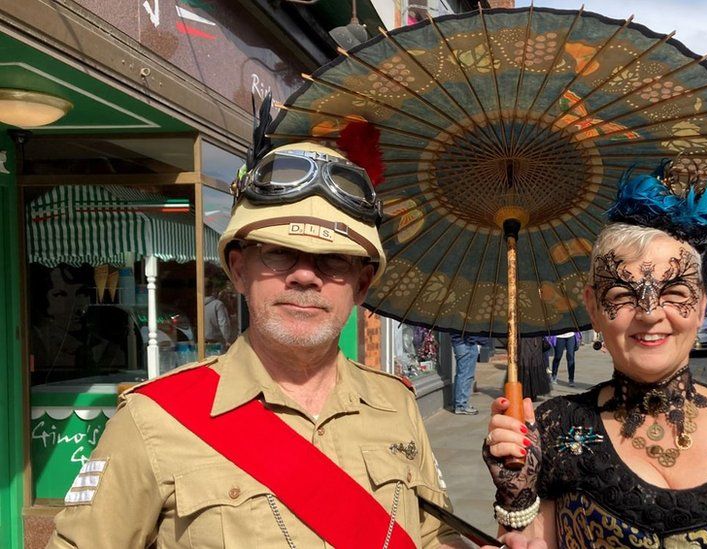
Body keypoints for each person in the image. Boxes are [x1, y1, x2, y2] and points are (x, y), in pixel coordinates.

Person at [48, 140, 537, 549]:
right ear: (239, 270)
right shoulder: (154, 420)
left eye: (333, 261)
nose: (305, 276)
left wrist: (514, 514)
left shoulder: (396, 403)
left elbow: (428, 535)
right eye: (279, 253)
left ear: (362, 285)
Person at [482, 168, 707, 547]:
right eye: (622, 294)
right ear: (594, 308)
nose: (650, 313)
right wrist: (516, 494)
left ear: (701, 305)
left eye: (675, 292)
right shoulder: (554, 432)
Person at [452, 333, 486, 415]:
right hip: (466, 343)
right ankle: (461, 405)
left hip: (463, 342)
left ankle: (459, 403)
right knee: (465, 375)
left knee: (462, 375)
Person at [517, 336, 552, 400]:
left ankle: (531, 392)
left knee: (532, 364)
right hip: (526, 341)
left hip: (534, 340)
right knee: (527, 363)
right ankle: (528, 392)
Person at [203, 278, 234, 352]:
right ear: (211, 288)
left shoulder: (198, 305)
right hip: (217, 344)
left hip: (202, 343)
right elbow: (223, 323)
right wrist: (227, 340)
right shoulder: (218, 304)